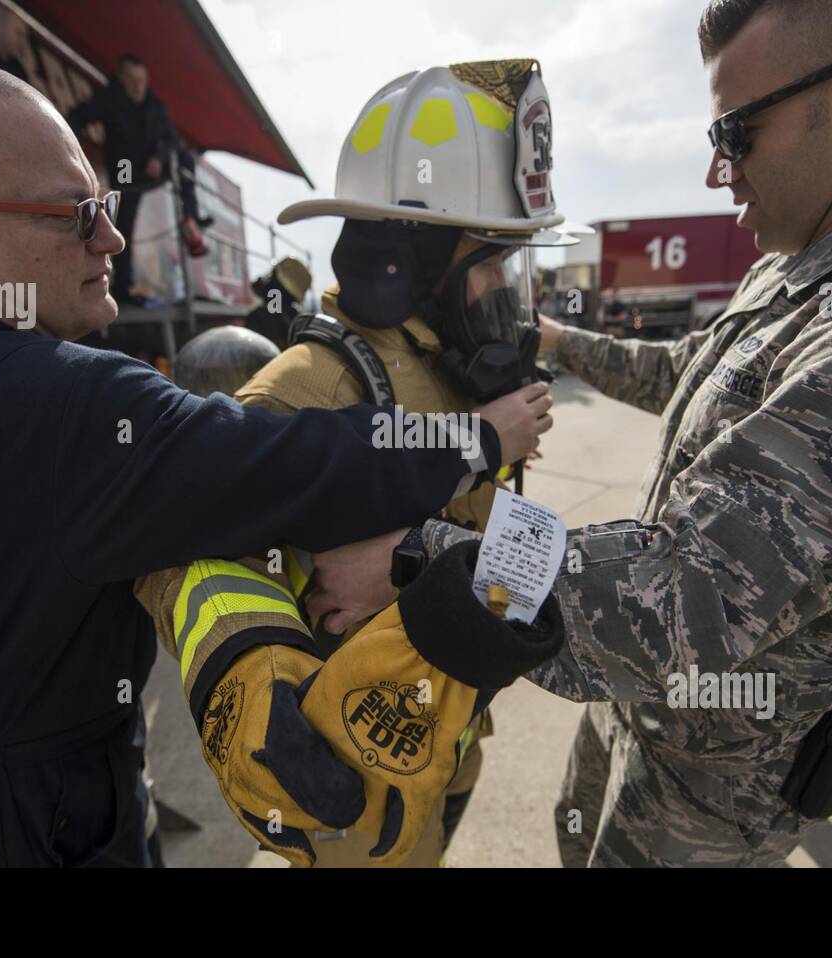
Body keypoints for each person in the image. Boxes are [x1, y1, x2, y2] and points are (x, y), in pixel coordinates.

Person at [305, 0, 832, 867]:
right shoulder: (810, 258)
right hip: (635, 696)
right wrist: (557, 342)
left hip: (719, 781)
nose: (719, 172)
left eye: (737, 132)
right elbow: (692, 376)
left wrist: (417, 561)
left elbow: (698, 586)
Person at [0, 54, 547, 867]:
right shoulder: (55, 402)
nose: (112, 237)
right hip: (44, 818)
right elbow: (271, 463)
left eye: (107, 204)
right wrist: (476, 442)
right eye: (73, 213)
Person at [134, 59, 569, 867]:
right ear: (417, 262)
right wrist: (248, 672)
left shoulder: (453, 378)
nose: (508, 299)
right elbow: (173, 534)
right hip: (357, 777)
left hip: (452, 729)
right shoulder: (318, 381)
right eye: (492, 268)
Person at [67, 53, 209, 302]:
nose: (137, 85)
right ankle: (123, 286)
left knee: (185, 158)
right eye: (132, 80)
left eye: (142, 80)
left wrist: (159, 157)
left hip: (153, 167)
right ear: (121, 79)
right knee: (124, 225)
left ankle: (190, 218)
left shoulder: (155, 105)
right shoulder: (110, 98)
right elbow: (77, 116)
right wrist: (73, 152)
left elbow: (170, 139)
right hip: (125, 173)